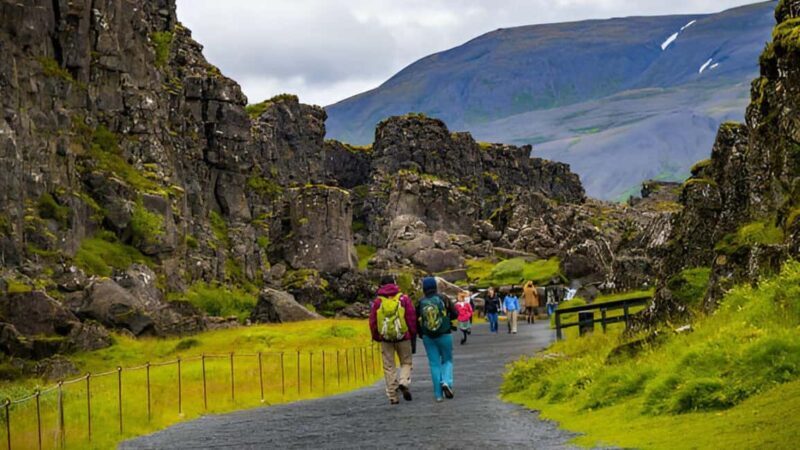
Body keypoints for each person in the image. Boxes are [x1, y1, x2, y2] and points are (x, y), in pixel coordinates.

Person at [368, 275, 417, 405]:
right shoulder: (403, 299)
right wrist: (412, 334)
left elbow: (372, 321)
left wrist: (377, 336)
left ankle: (393, 396)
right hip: (403, 336)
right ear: (394, 284)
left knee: (389, 366)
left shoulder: (378, 302)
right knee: (406, 362)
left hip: (385, 338)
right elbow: (411, 317)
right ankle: (403, 381)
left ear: (381, 286)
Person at [416, 277, 458, 402]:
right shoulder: (443, 298)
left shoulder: (420, 302)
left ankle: (438, 395)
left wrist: (420, 333)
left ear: (424, 288)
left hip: (428, 337)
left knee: (434, 364)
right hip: (445, 334)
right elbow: (455, 313)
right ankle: (446, 382)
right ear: (435, 287)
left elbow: (415, 319)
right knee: (447, 360)